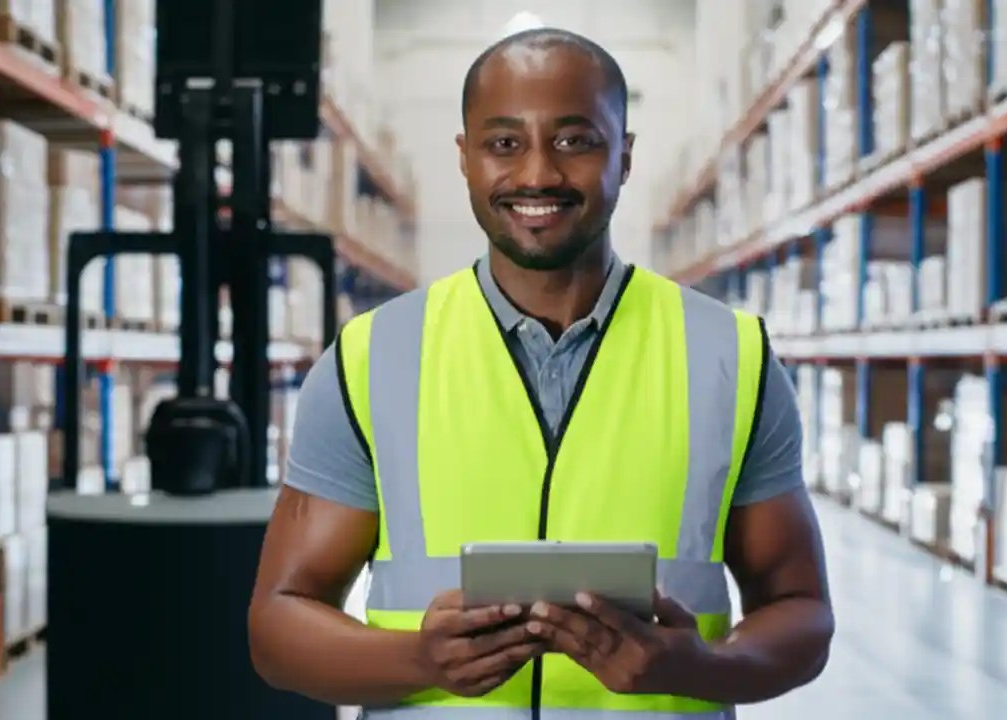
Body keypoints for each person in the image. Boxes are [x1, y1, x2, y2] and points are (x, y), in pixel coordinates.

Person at [248, 27, 834, 719]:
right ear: (465, 159)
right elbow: (278, 626)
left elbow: (801, 610)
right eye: (504, 144)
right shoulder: (370, 358)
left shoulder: (731, 356)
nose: (536, 175)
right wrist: (418, 659)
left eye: (574, 140)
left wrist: (702, 666)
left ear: (625, 156)